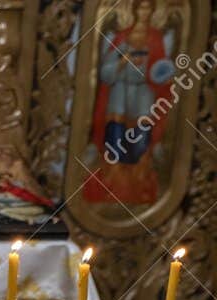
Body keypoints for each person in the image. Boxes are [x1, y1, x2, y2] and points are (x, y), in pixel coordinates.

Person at [83, 0, 177, 205]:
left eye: (148, 8)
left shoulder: (155, 38)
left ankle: (137, 192)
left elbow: (162, 70)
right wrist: (122, 61)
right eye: (141, 8)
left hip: (143, 97)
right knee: (115, 141)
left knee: (140, 144)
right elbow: (105, 74)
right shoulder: (122, 37)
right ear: (134, 10)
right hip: (118, 96)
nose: (145, 12)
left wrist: (163, 75)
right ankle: (111, 190)